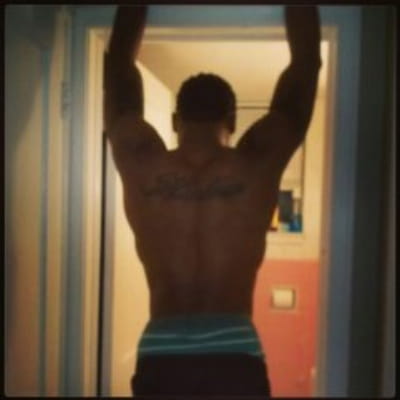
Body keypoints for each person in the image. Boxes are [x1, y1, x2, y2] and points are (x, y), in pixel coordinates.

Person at [104, 5, 321, 398]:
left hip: (162, 348)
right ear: (233, 121)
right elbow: (306, 65)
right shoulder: (257, 162)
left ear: (175, 121)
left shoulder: (140, 160)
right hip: (233, 346)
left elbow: (118, 63)